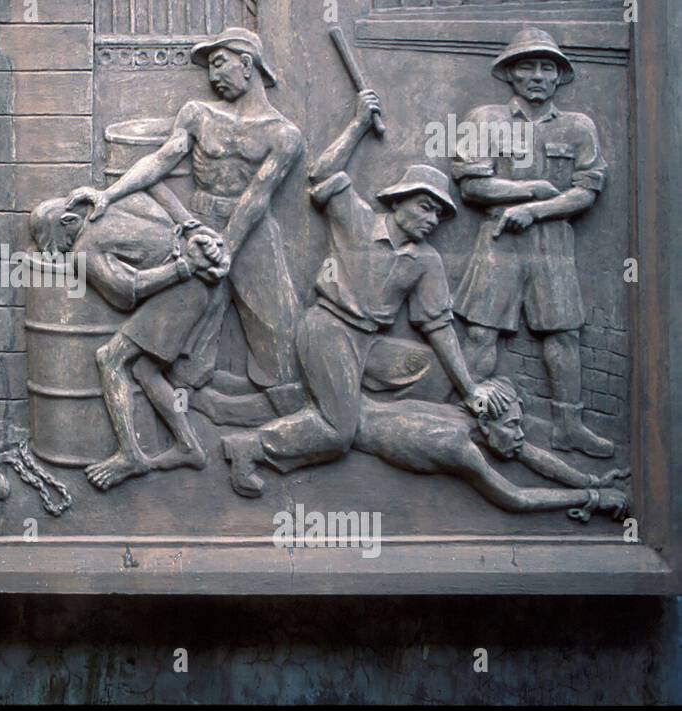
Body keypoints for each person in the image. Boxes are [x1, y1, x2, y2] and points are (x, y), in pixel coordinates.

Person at [222, 90, 505, 497]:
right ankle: (249, 447)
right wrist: (357, 124)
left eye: (439, 213)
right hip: (328, 331)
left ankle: (379, 419)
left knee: (434, 368)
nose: (433, 219)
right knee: (339, 433)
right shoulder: (358, 220)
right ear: (400, 201)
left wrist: (469, 389)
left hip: (369, 344)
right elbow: (321, 173)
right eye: (426, 207)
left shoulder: (426, 261)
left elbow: (439, 328)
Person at [68, 26, 302, 417]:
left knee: (276, 332)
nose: (212, 76)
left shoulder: (284, 134)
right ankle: (199, 412)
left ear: (247, 64)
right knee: (194, 325)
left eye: (219, 64)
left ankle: (284, 417)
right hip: (200, 222)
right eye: (209, 67)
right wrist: (108, 194)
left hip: (253, 232)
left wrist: (227, 246)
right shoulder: (198, 114)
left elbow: (258, 196)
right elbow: (160, 161)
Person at [452, 27, 614, 458]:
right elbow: (472, 188)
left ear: (560, 76)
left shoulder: (580, 127)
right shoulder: (485, 119)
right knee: (482, 332)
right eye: (527, 66)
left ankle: (568, 426)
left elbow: (587, 190)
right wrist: (531, 190)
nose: (538, 75)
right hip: (499, 239)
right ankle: (466, 417)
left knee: (563, 335)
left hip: (554, 244)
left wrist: (537, 209)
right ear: (509, 74)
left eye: (548, 67)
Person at [30, 193, 227, 490]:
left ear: (68, 221)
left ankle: (130, 456)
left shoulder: (84, 247)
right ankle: (188, 447)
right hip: (201, 286)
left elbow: (126, 292)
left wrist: (183, 266)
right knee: (146, 370)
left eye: (54, 243)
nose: (54, 253)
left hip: (185, 288)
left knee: (110, 358)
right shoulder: (113, 203)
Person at [355, 379, 629, 519]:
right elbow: (515, 497)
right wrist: (589, 497)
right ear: (485, 424)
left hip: (357, 404)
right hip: (339, 427)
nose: (521, 434)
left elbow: (522, 449)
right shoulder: (455, 443)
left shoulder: (468, 416)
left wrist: (591, 480)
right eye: (513, 425)